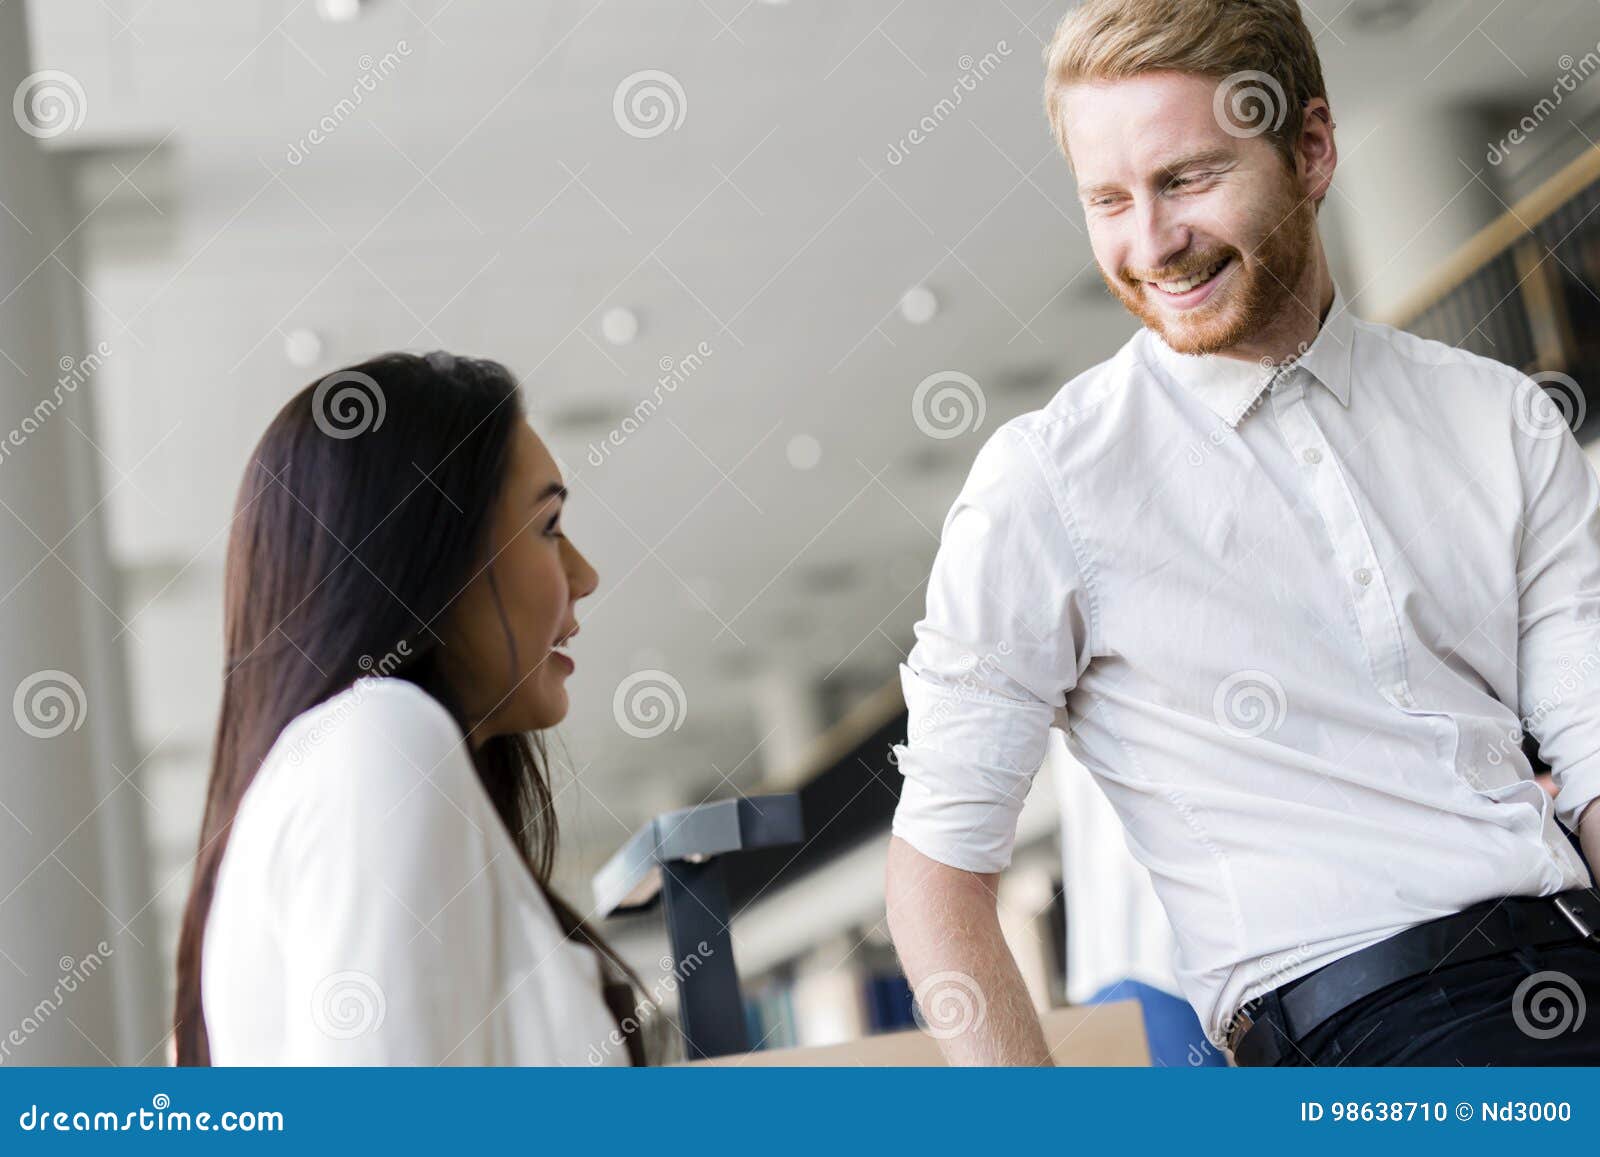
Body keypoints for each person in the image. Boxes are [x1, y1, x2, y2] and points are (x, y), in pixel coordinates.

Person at [886, 0, 1600, 1067]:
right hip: (1354, 1034)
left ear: (1310, 150)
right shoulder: (1048, 484)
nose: (1151, 243)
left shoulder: (1498, 418)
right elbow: (938, 876)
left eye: (1185, 180)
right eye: (1109, 200)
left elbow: (1588, 756)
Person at [173, 352, 646, 1065]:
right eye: (548, 525)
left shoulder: (356, 755)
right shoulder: (383, 737)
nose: (584, 574)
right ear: (428, 554)